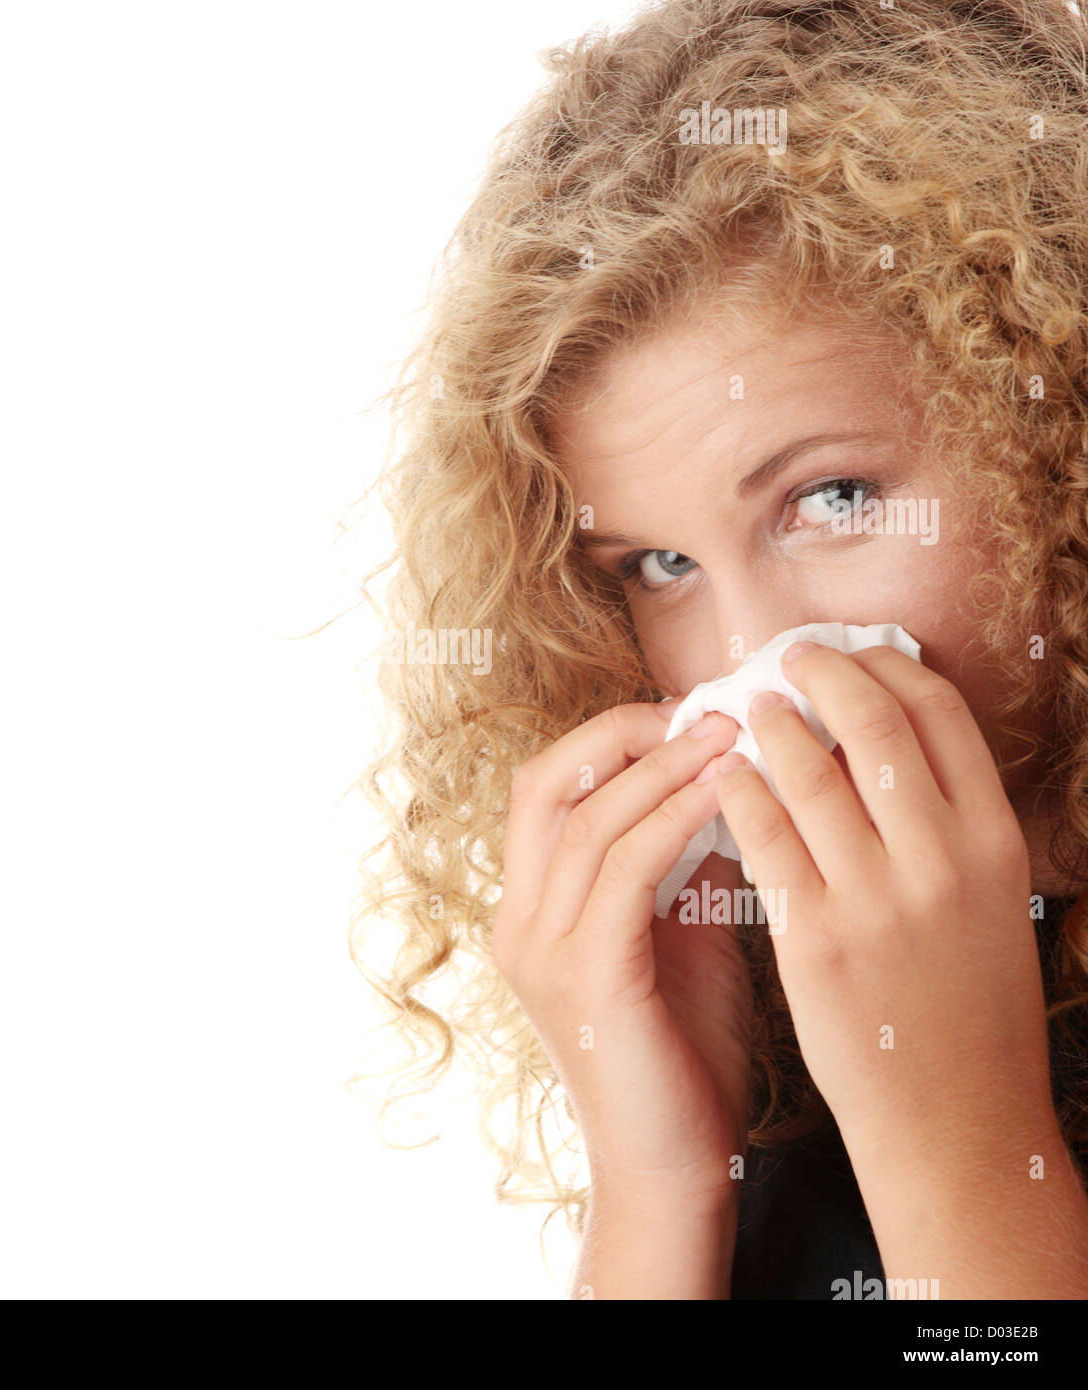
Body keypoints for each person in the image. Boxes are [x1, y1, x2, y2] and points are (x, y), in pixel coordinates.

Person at [351, 0, 1088, 1298]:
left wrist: (961, 1147)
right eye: (661, 566)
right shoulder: (762, 977)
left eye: (835, 499)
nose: (752, 654)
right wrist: (658, 1175)